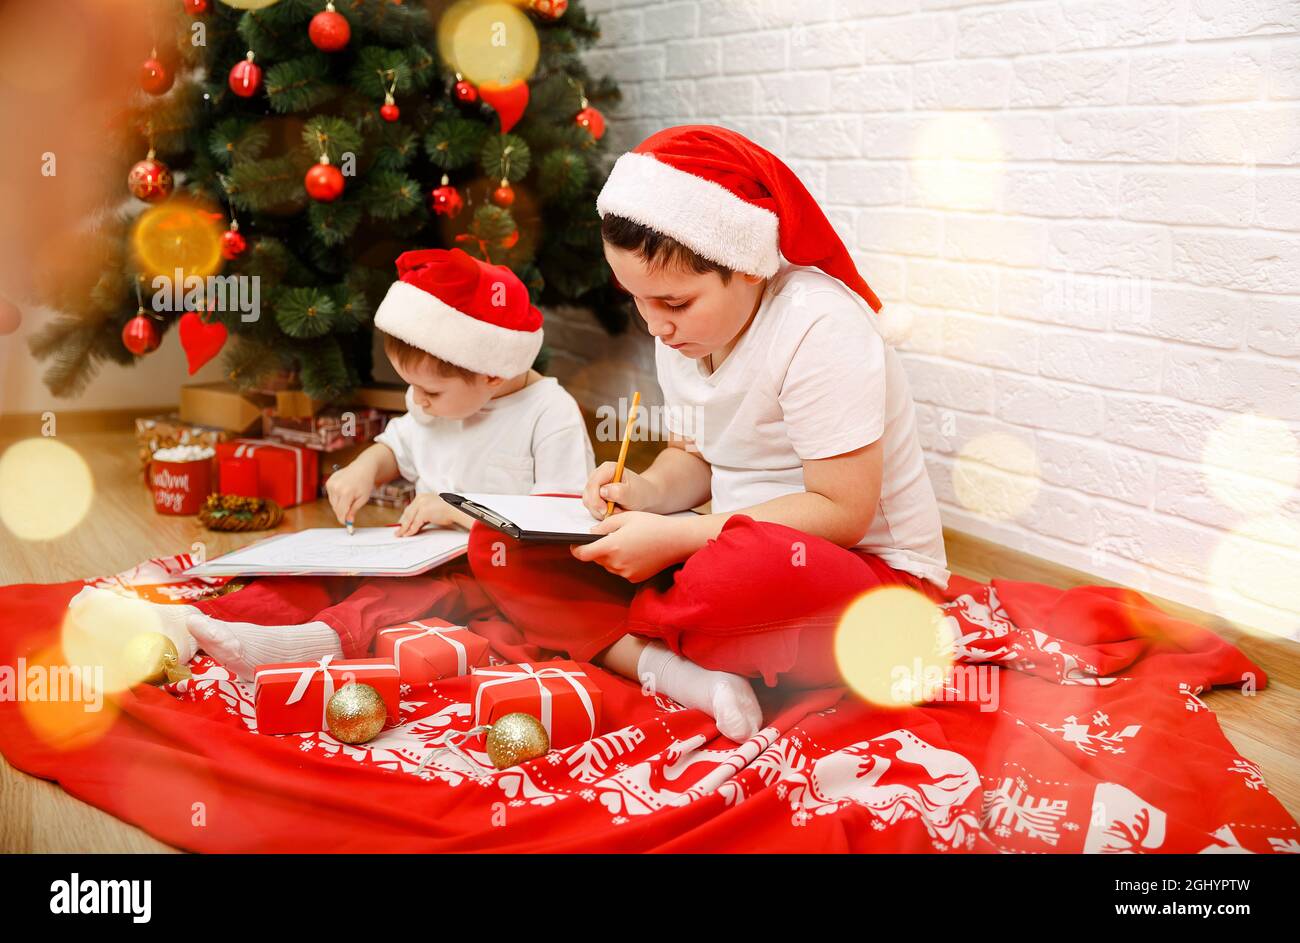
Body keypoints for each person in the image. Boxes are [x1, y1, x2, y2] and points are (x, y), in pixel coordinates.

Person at [460, 125, 951, 742]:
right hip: (715, 550)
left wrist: (678, 538)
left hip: (864, 574)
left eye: (674, 302)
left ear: (746, 268)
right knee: (498, 542)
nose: (656, 325)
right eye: (636, 300)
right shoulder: (685, 333)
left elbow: (843, 511)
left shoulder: (819, 324)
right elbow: (696, 457)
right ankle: (665, 662)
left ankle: (620, 630)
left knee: (741, 573)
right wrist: (644, 492)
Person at [159, 249, 595, 679]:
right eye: (410, 386)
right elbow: (400, 444)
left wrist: (461, 511)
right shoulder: (434, 399)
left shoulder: (549, 414)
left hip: (495, 571)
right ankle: (191, 623)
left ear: (493, 372)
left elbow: (561, 522)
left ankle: (308, 644)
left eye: (430, 392)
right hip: (419, 550)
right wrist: (364, 468)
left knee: (400, 597)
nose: (417, 400)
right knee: (312, 578)